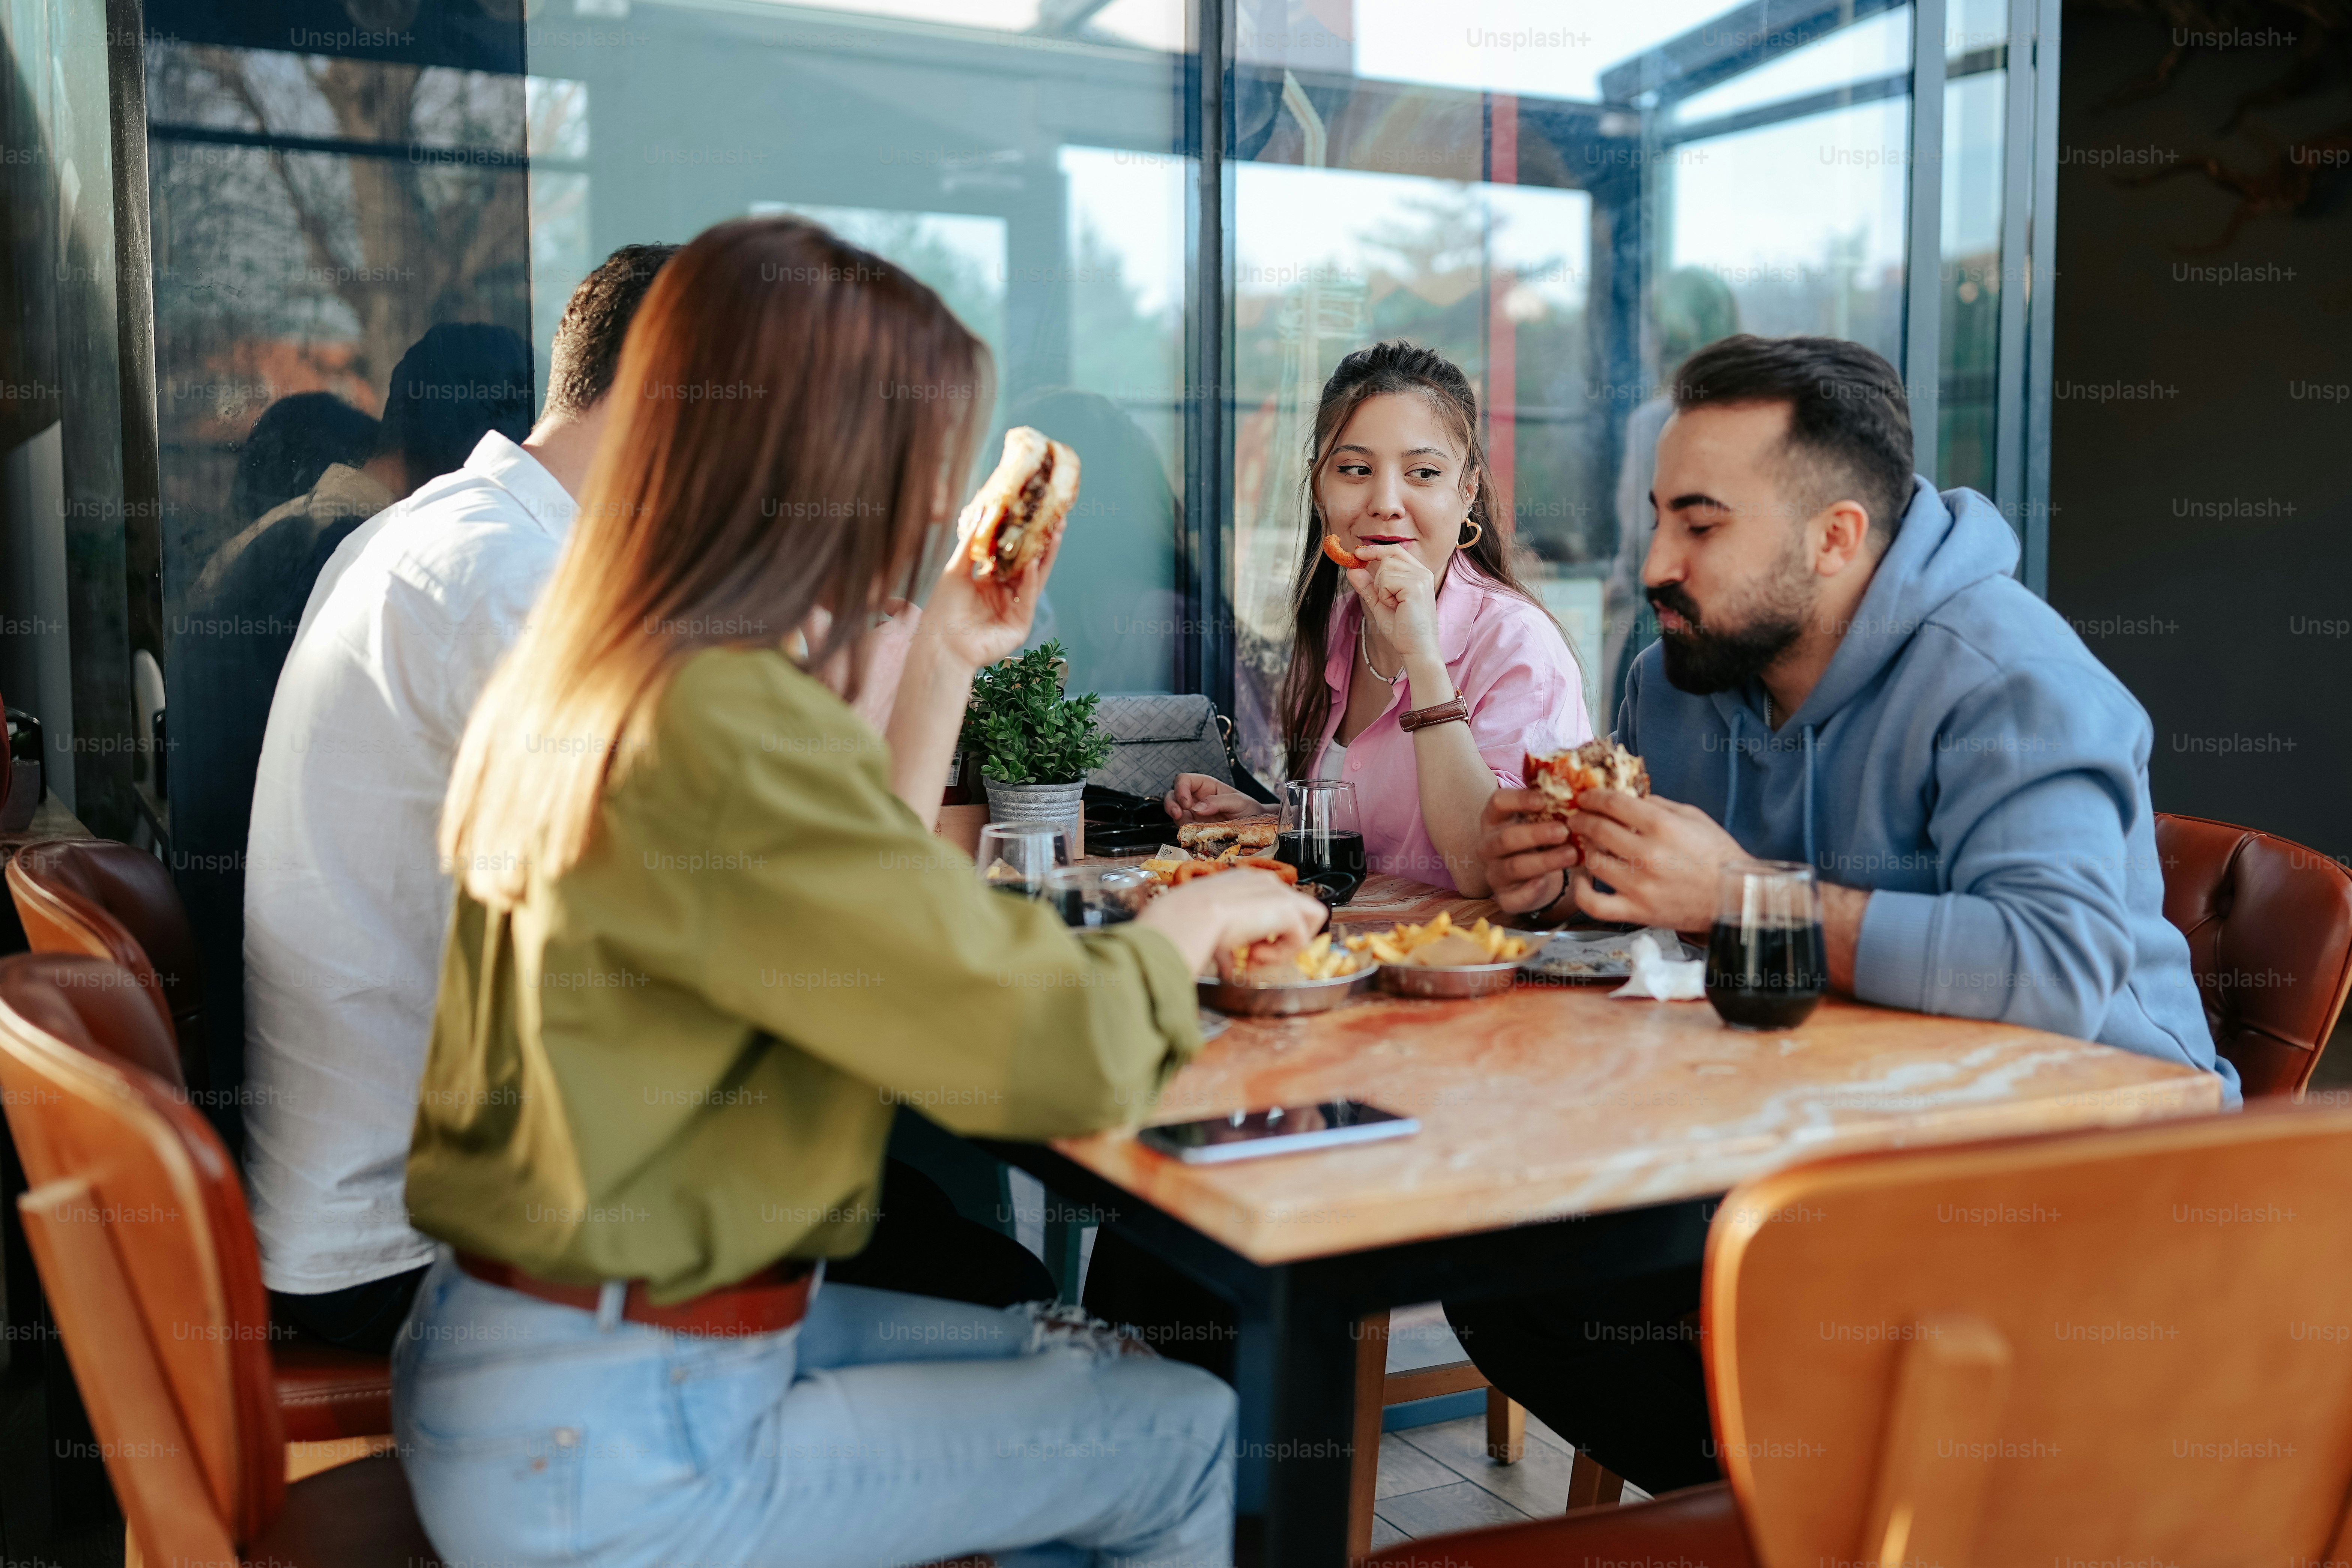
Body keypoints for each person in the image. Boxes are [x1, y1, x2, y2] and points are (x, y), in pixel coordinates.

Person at [398, 215, 1321, 1568]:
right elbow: (1044, 1057)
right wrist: (1182, 928)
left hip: (534, 1363)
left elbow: (860, 928)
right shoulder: (718, 730)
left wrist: (943, 648)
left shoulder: (609, 675)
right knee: (1182, 1437)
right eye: (915, 466)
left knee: (1072, 1354)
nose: (921, 509)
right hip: (619, 1441)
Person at [1452, 332, 2227, 1496]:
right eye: (1657, 514)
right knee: (1512, 1275)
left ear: (1834, 538)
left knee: (1724, 1315)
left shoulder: (2009, 681)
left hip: (2080, 1192)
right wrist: (1577, 879)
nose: (1653, 560)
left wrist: (1735, 896)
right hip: (1815, 1152)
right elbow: (1666, 934)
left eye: (1700, 525)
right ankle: (1836, 1511)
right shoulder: (1677, 674)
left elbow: (2054, 962)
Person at [242, 253, 674, 1352]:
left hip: (362, 1202)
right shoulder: (505, 581)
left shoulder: (444, 533)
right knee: (965, 1269)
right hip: (406, 1255)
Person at [1164, 341, 1589, 893]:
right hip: (1341, 965)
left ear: (1468, 492)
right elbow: (1371, 849)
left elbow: (1492, 872)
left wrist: (1424, 660)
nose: (1386, 501)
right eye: (1355, 469)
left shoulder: (1517, 644)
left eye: (1423, 473)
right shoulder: (1340, 626)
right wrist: (1264, 823)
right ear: (1320, 488)